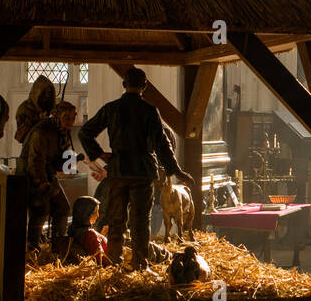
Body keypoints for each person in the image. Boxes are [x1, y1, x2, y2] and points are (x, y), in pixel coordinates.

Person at [78, 67, 193, 269]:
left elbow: (85, 132)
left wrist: (100, 153)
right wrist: (175, 169)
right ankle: (140, 264)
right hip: (142, 172)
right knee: (140, 221)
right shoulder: (149, 111)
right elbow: (162, 143)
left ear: (124, 84)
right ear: (145, 86)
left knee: (116, 220)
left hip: (118, 171)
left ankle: (114, 262)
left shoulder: (111, 108)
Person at [18, 100, 75, 251]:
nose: (71, 122)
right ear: (57, 116)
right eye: (67, 118)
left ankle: (58, 246)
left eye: (72, 118)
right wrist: (41, 182)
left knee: (63, 207)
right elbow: (35, 160)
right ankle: (33, 248)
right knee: (40, 209)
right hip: (30, 176)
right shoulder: (41, 131)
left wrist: (68, 161)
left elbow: (56, 160)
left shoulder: (63, 132)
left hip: (48, 174)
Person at [63, 195, 108, 264]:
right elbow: (102, 259)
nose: (97, 215)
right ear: (86, 214)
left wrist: (101, 235)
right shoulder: (90, 235)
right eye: (95, 212)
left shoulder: (74, 230)